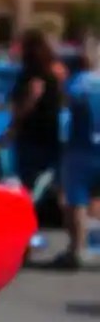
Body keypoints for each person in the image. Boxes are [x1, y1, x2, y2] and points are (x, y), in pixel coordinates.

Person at [4, 29, 67, 198]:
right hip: (50, 129)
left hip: (31, 132)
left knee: (29, 177)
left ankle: (29, 208)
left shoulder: (32, 70)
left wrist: (14, 125)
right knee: (48, 173)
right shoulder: (55, 69)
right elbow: (62, 95)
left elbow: (33, 94)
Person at [51, 55, 100, 269]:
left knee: (77, 202)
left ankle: (76, 251)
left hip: (80, 149)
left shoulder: (75, 85)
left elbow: (64, 112)